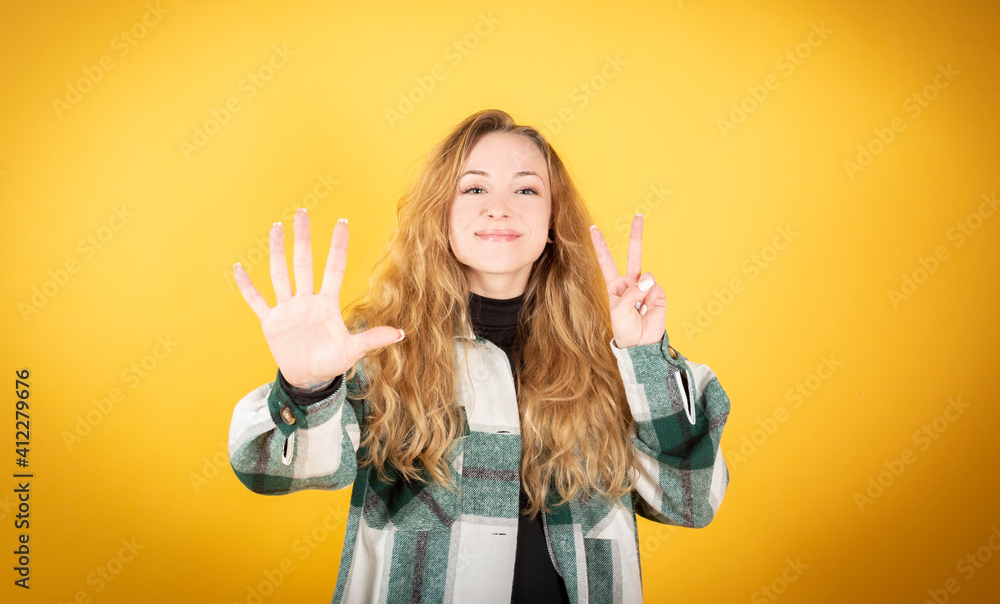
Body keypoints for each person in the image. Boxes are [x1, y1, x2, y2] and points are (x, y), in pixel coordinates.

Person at [228, 109, 730, 603]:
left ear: (554, 221)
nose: (499, 207)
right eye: (474, 188)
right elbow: (272, 472)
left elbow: (690, 502)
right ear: (440, 216)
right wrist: (307, 388)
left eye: (527, 189)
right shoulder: (373, 346)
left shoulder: (614, 355)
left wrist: (645, 359)